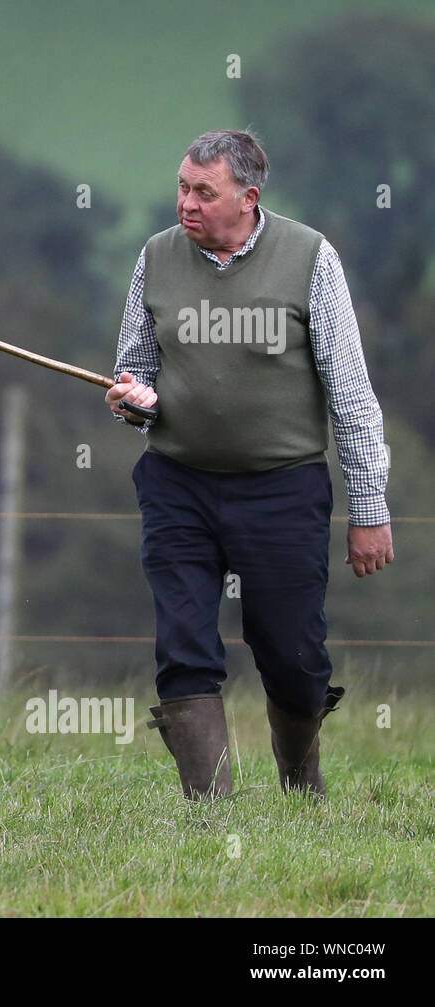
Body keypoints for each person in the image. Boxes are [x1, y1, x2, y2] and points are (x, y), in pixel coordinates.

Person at [106, 129, 392, 800]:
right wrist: (132, 401)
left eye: (204, 192)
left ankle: (301, 782)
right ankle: (210, 813)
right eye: (182, 187)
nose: (187, 204)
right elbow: (135, 375)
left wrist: (369, 510)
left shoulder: (310, 258)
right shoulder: (156, 257)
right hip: (178, 483)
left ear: (248, 198)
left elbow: (351, 395)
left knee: (294, 656)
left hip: (283, 489)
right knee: (183, 646)